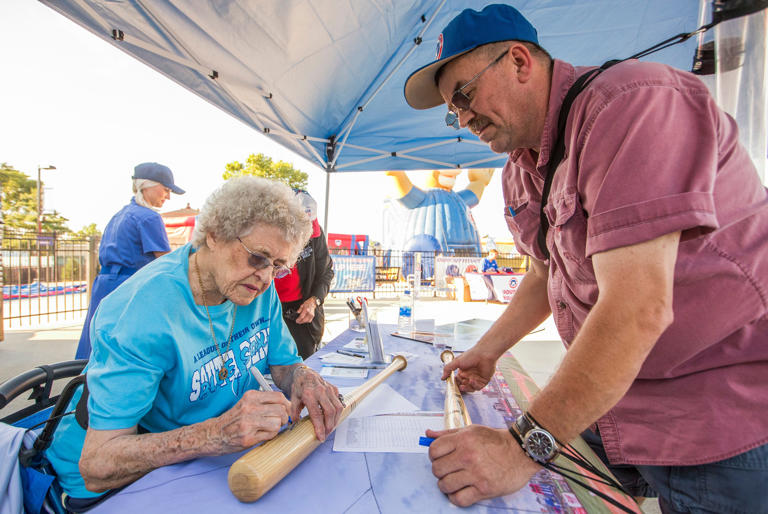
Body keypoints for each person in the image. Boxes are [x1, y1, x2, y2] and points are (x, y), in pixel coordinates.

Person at [404, 4, 768, 512]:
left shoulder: (632, 106)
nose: (462, 119)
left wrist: (520, 448)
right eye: (452, 110)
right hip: (616, 403)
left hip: (716, 415)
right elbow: (544, 274)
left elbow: (637, 307)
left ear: (519, 62)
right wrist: (488, 349)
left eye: (463, 94)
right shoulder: (519, 170)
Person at [47, 176, 344, 510]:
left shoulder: (256, 288)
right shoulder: (143, 312)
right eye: (258, 258)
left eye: (278, 267)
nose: (265, 277)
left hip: (206, 461)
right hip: (117, 485)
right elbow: (98, 464)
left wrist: (304, 377)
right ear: (214, 235)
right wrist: (215, 434)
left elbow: (284, 364)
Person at [74, 162, 184, 359]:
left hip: (104, 284)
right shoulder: (149, 218)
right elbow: (166, 263)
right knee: (124, 350)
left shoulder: (120, 214)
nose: (167, 196)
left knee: (95, 343)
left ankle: (82, 388)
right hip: (129, 286)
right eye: (166, 190)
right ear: (146, 185)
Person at [273, 190, 334, 359]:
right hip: (271, 312)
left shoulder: (316, 234)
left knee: (305, 365)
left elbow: (326, 272)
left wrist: (314, 300)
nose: (306, 237)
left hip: (301, 316)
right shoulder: (267, 235)